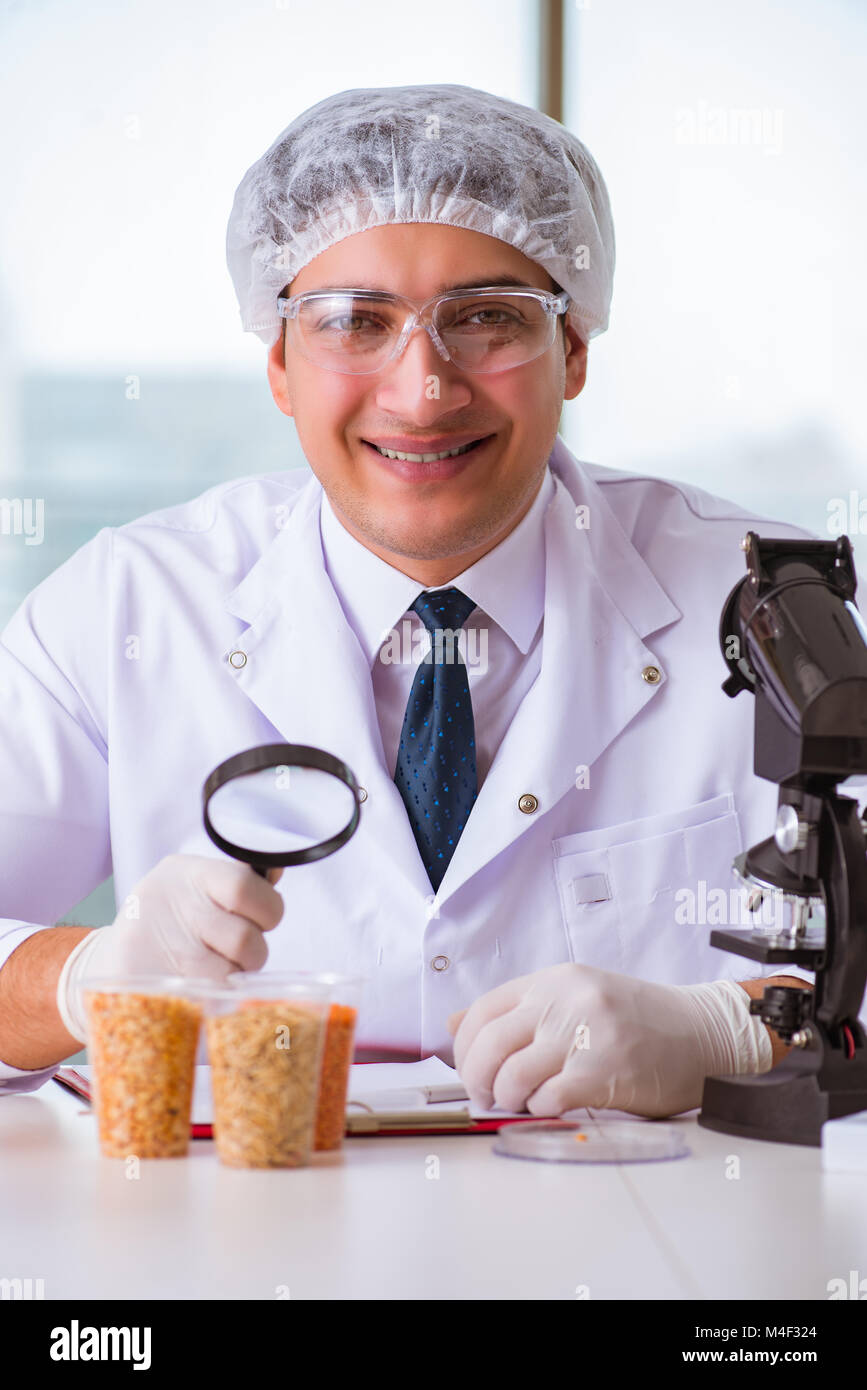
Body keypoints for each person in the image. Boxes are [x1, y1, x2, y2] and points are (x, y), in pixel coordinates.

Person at [0, 83, 856, 1118]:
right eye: (355, 322)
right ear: (279, 362)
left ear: (574, 348)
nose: (423, 390)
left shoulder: (761, 601)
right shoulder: (125, 608)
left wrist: (739, 1031)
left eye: (487, 317)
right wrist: (84, 981)